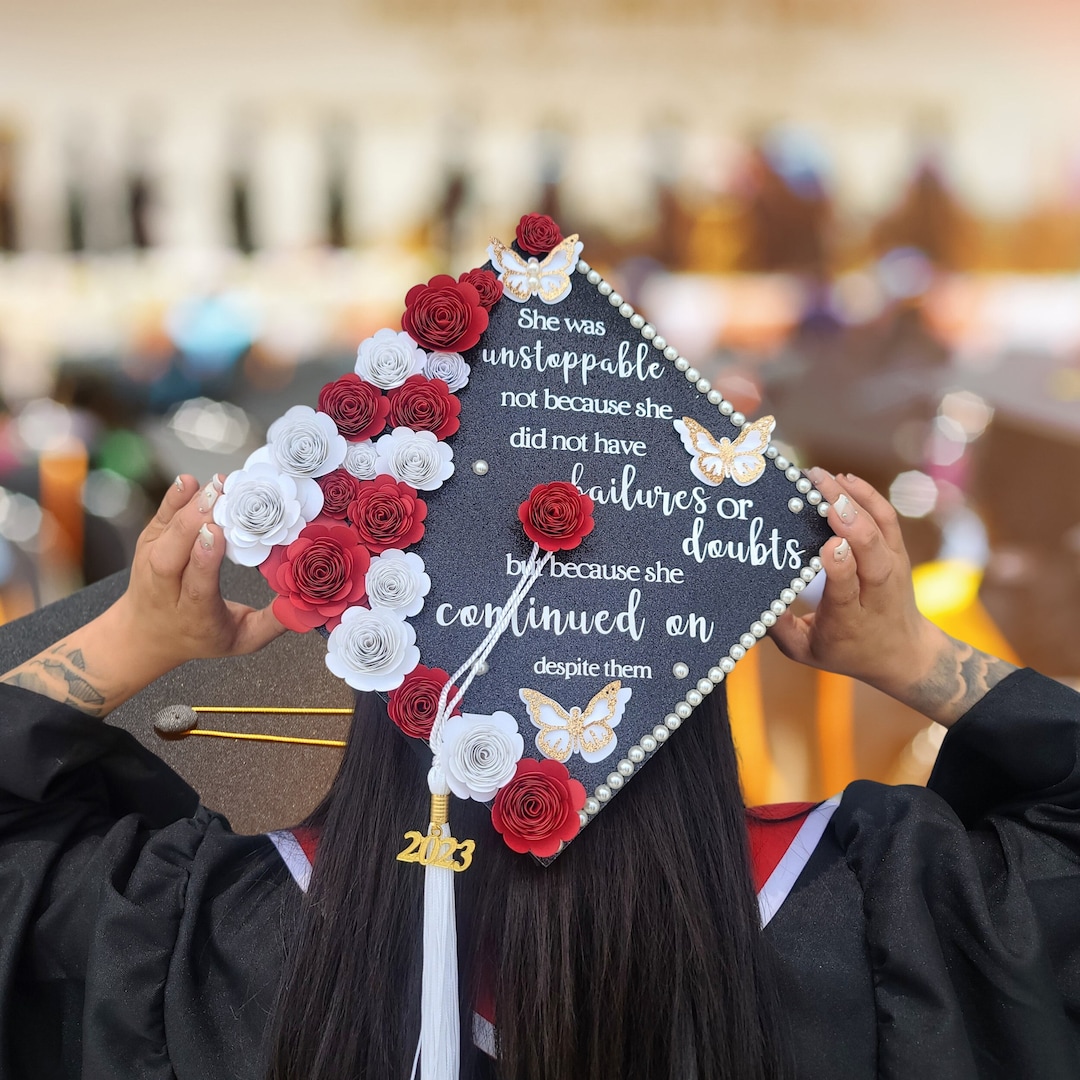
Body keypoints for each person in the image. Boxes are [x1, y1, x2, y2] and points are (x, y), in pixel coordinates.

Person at [1, 468, 1078, 1080]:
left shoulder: (201, 934)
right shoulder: (878, 913)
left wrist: (139, 638)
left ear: (390, 675)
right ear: (695, 677)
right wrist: (906, 654)